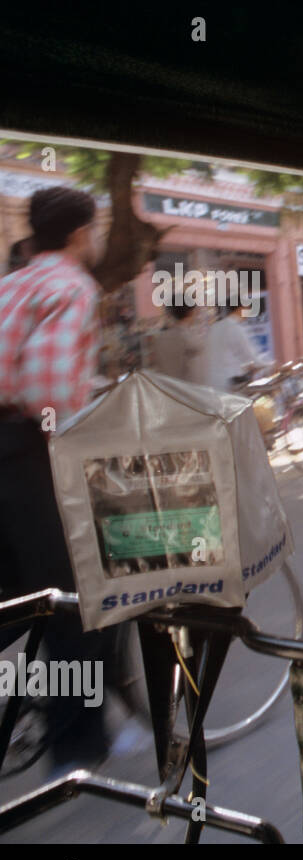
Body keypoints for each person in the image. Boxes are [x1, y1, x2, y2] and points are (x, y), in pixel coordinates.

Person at [0, 186, 112, 770]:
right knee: (75, 596)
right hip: (28, 455)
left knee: (12, 597)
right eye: (93, 232)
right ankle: (76, 749)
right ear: (78, 234)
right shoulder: (71, 284)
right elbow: (47, 392)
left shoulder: (11, 283)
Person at [202, 305, 263, 391]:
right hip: (229, 383)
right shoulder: (234, 327)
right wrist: (271, 366)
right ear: (242, 308)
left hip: (211, 383)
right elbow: (251, 358)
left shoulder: (214, 327)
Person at [149, 303, 207, 383]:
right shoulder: (192, 341)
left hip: (166, 388)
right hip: (186, 390)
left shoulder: (159, 339)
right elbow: (199, 375)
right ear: (191, 312)